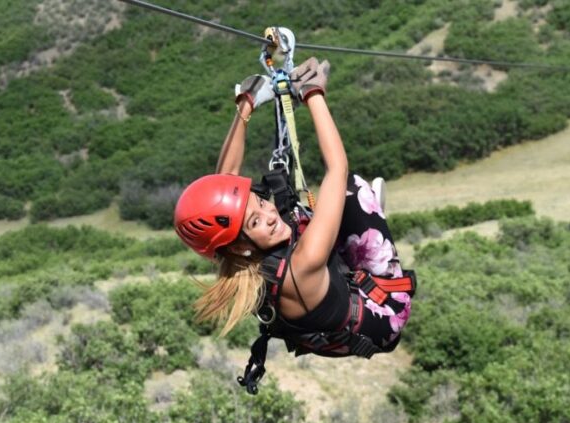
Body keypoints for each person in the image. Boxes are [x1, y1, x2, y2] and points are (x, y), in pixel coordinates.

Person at [174, 57, 415, 367]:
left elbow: (226, 178)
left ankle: (340, 234)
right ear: (239, 244)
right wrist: (313, 93)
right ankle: (364, 231)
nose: (269, 214)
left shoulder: (233, 256)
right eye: (255, 221)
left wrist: (246, 104)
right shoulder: (302, 265)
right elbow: (337, 168)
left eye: (261, 202)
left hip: (328, 312)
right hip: (383, 315)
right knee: (352, 191)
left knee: (294, 218)